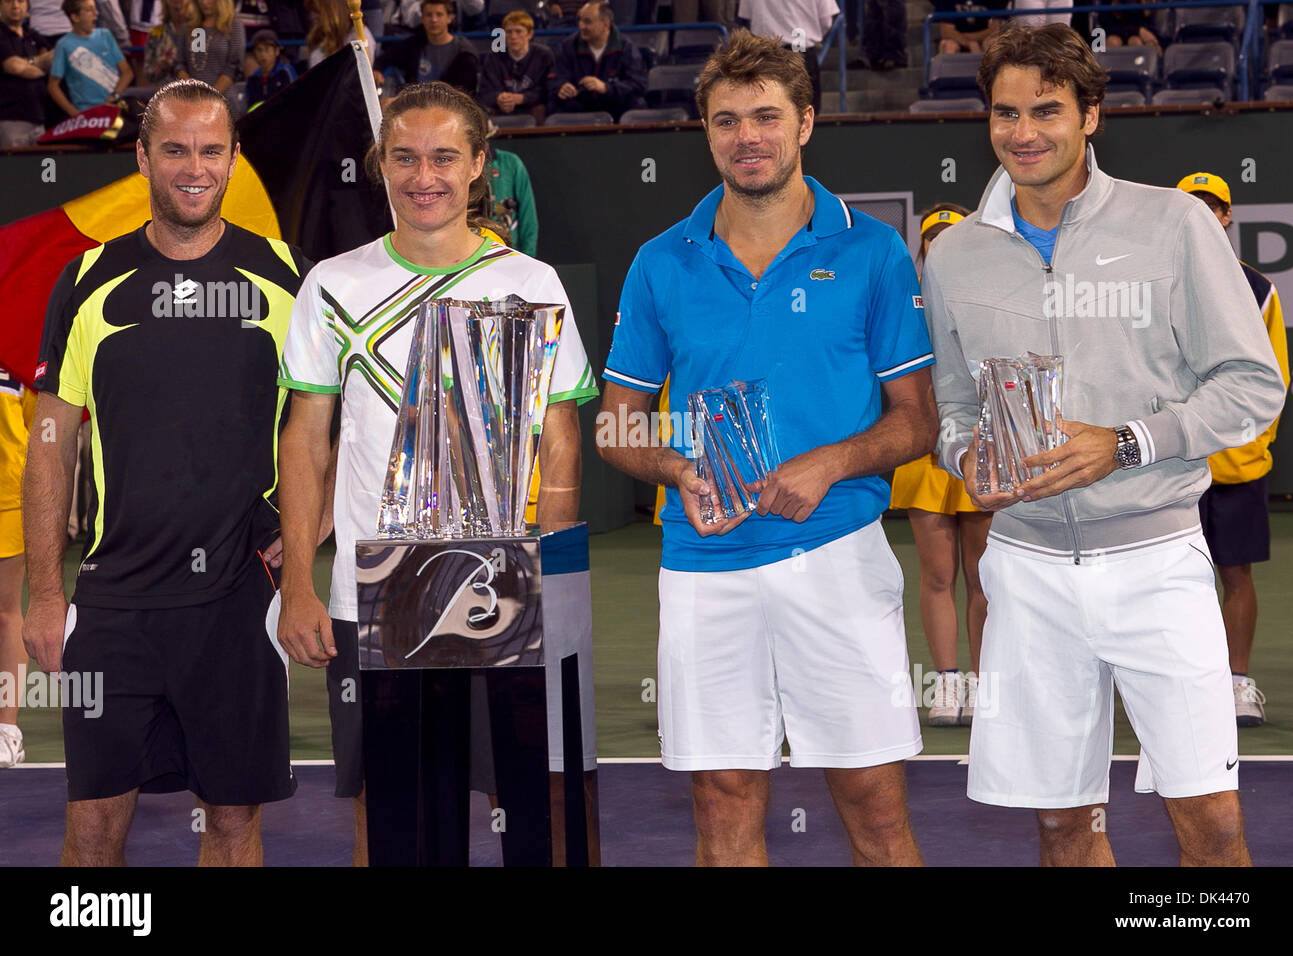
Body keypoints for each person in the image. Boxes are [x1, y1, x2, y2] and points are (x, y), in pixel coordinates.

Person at [923, 24, 1285, 866]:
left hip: (1157, 562)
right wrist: (964, 454)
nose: (1023, 132)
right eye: (1005, 113)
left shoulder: (1175, 224)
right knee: (1059, 823)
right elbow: (951, 403)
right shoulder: (955, 258)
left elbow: (1252, 386)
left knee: (1212, 823)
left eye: (1047, 110)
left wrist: (1126, 442)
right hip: (1024, 571)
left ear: (1092, 115)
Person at [598, 30, 937, 867]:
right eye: (726, 121)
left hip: (838, 560)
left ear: (806, 123)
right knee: (721, 798)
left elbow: (916, 422)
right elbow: (615, 425)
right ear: (706, 132)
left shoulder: (873, 251)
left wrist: (829, 463)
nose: (746, 136)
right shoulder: (659, 263)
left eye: (766, 116)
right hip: (703, 564)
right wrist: (678, 469)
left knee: (875, 805)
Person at [275, 81, 599, 866]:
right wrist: (298, 584)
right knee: (387, 810)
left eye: (446, 157)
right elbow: (305, 440)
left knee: (531, 800)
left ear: (481, 165)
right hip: (374, 586)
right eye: (406, 157)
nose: (425, 176)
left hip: (502, 577)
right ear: (381, 164)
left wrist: (549, 570)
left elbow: (560, 438)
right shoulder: (332, 284)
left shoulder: (532, 282)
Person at [23, 79, 311, 866]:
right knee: (91, 825)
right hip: (114, 603)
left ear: (234, 157)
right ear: (144, 156)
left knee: (230, 823)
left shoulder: (289, 278)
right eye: (176, 149)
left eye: (212, 150)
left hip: (237, 602)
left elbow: (326, 427)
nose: (195, 167)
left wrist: (307, 530)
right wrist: (46, 596)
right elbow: (50, 446)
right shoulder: (85, 282)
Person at [1176, 170, 1289, 728]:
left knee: (1234, 575)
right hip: (1175, 465)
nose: (1203, 213)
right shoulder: (1157, 280)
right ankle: (1185, 684)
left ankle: (1237, 682)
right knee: (1173, 580)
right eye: (1190, 205)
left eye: (1212, 205)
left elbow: (1273, 378)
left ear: (1226, 216)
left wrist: (1247, 445)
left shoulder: (1260, 289)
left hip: (1236, 469)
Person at [890, 202, 990, 727]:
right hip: (923, 458)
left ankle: (983, 682)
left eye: (952, 237)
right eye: (933, 240)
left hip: (980, 453)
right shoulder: (903, 309)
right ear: (923, 250)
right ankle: (947, 683)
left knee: (982, 576)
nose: (941, 246)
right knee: (937, 574)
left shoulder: (987, 302)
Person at [0, 366, 34, 768]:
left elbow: (38, 428)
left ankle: (7, 730)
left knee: (7, 613)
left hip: (8, 498)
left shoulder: (18, 352)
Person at [548, 1, 646, 120]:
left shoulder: (626, 47)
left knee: (637, 103)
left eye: (587, 22)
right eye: (580, 20)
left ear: (605, 24)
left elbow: (638, 84)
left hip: (615, 105)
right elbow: (555, 77)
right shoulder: (569, 45)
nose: (581, 26)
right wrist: (561, 86)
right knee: (555, 104)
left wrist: (606, 87)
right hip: (580, 106)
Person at [735, 0, 838, 112]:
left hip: (765, 54)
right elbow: (826, 21)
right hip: (799, 50)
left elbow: (746, 16)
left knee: (765, 114)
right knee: (806, 116)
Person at [375, 0, 478, 95]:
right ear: (422, 19)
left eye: (439, 14)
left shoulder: (464, 53)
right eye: (429, 15)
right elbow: (384, 59)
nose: (434, 20)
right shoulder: (414, 44)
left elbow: (466, 94)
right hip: (415, 105)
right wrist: (377, 70)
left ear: (449, 18)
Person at [48, 0, 131, 115]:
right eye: (89, 10)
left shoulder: (105, 35)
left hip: (115, 109)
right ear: (75, 17)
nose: (95, 13)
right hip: (86, 113)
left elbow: (127, 73)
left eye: (95, 8)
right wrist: (73, 112)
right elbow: (53, 85)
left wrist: (114, 96)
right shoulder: (63, 45)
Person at [477, 8, 552, 121]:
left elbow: (548, 90)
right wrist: (499, 98)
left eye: (518, 31)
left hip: (532, 107)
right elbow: (484, 92)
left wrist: (522, 98)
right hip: (500, 108)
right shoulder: (494, 57)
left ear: (530, 34)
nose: (513, 36)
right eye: (509, 32)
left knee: (540, 109)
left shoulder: (543, 55)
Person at [0, 0, 55, 146]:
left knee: (40, 168)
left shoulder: (32, 34)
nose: (15, 5)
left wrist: (28, 62)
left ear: (28, 6)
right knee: (14, 168)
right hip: (10, 120)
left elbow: (52, 59)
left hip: (39, 119)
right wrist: (40, 63)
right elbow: (14, 67)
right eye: (8, 1)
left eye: (20, 1)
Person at [486, 124, 538, 256]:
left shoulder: (511, 162)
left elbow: (528, 216)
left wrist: (528, 258)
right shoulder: (463, 167)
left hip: (511, 251)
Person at [175, 0, 243, 92]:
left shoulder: (233, 25)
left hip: (223, 97)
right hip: (190, 97)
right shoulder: (188, 26)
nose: (204, 2)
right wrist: (190, 90)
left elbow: (234, 66)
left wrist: (211, 95)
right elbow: (180, 64)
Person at [304, 0, 376, 70]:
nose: (312, 16)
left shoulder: (360, 36)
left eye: (317, 12)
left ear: (331, 11)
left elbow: (357, 76)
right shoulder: (318, 35)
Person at [142, 0, 192, 85]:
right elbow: (148, 73)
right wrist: (159, 68)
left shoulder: (199, 30)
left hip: (194, 90)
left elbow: (203, 65)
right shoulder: (156, 33)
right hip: (164, 91)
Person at [933, 0, 1008, 54]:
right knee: (949, 46)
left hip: (984, 38)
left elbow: (994, 30)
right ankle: (949, 76)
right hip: (957, 40)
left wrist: (972, 41)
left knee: (994, 43)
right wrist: (969, 43)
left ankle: (990, 75)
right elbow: (946, 31)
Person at [245, 27, 294, 103]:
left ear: (277, 51)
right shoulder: (253, 79)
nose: (263, 54)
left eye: (267, 49)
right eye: (259, 50)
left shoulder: (285, 72)